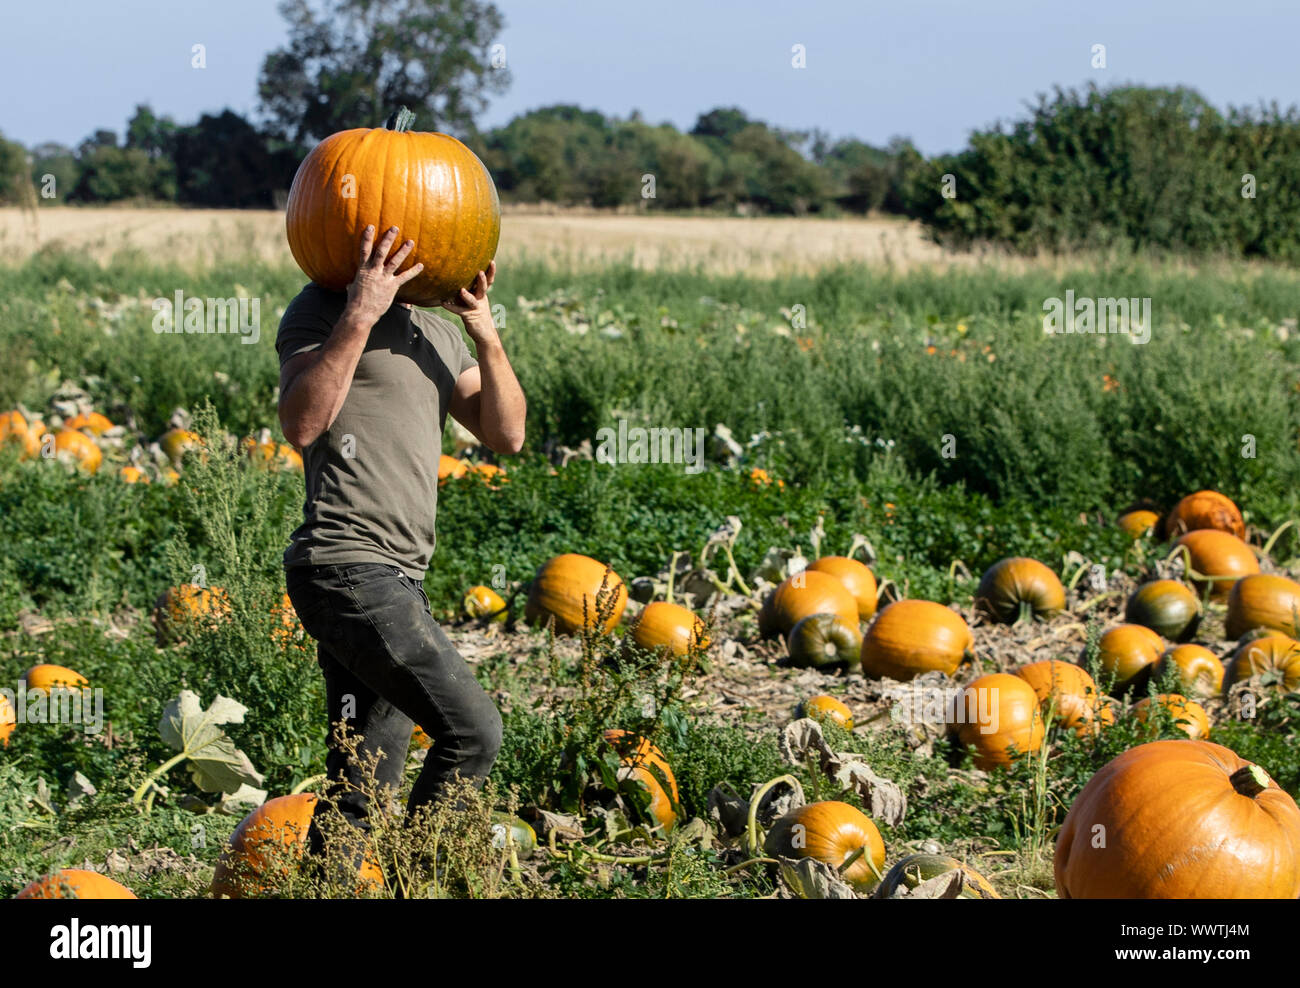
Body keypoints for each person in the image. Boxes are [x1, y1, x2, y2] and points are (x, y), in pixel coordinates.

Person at [276, 224, 525, 863]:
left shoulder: (442, 330)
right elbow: (303, 423)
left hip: (398, 578)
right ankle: (415, 882)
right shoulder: (322, 306)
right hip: (344, 567)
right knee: (471, 732)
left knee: (362, 787)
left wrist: (484, 331)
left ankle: (330, 881)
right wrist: (362, 310)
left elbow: (507, 434)